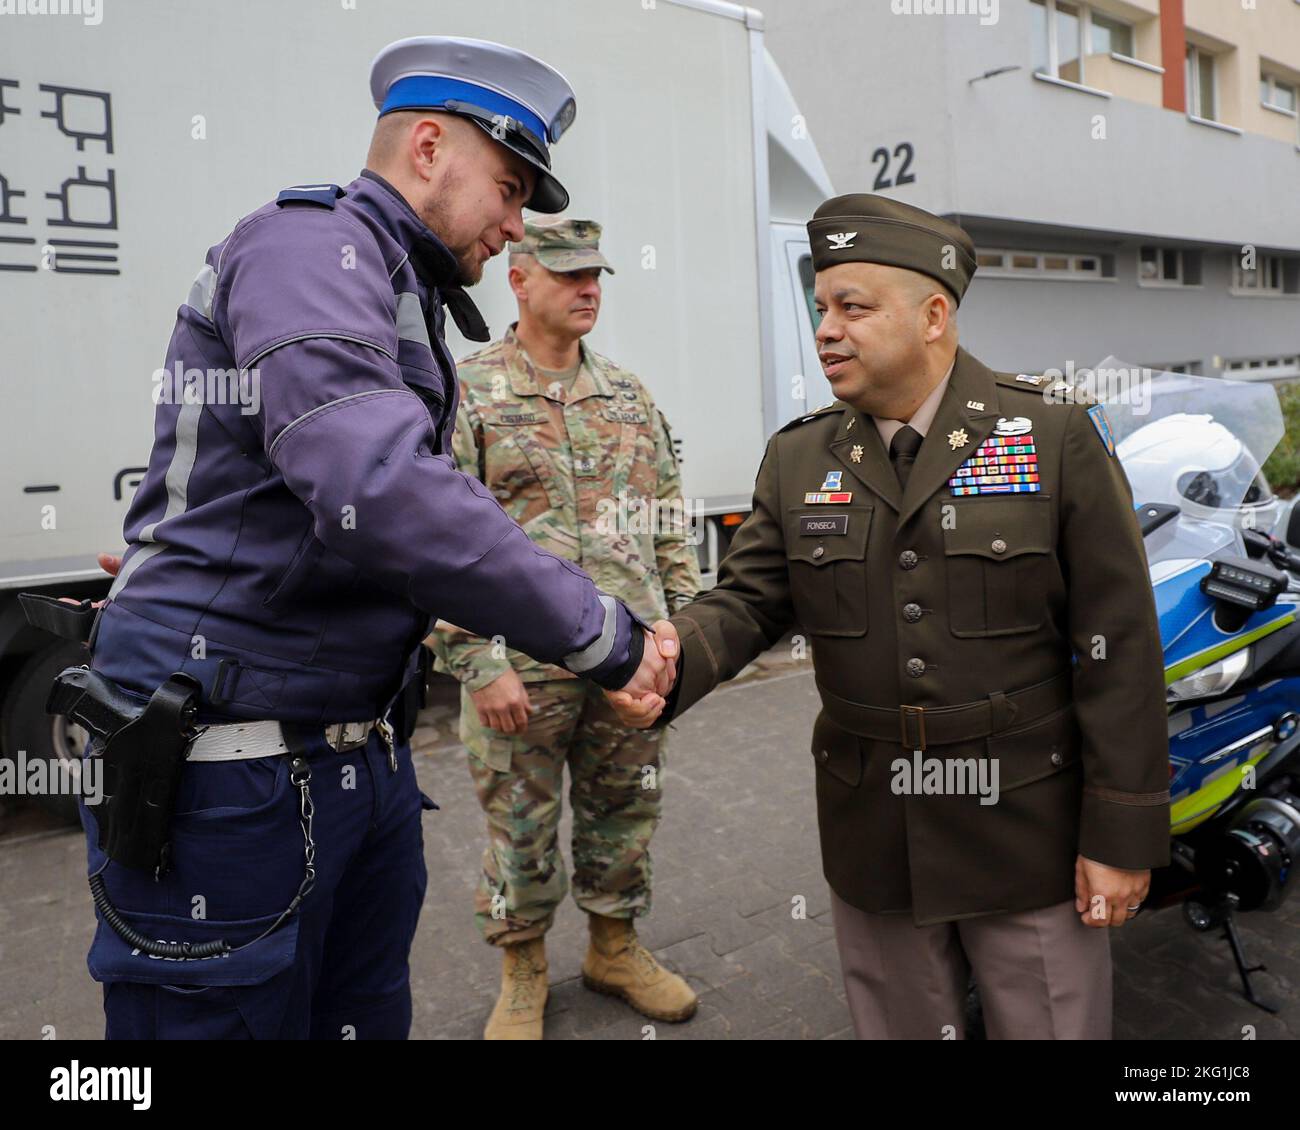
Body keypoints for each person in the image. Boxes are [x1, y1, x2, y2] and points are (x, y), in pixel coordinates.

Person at [75, 36, 673, 1041]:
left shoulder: (392, 285)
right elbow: (375, 483)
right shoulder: (313, 247)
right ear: (429, 147)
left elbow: (333, 502)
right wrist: (600, 634)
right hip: (235, 766)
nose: (515, 225)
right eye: (509, 187)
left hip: (350, 754)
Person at [610, 193, 1171, 1040]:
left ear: (934, 314)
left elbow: (1120, 647)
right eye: (820, 307)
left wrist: (1123, 835)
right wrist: (672, 653)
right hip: (875, 834)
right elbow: (751, 597)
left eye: (853, 306)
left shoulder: (1050, 435)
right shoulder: (801, 456)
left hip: (1023, 832)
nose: (826, 329)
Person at [430, 218, 701, 1039]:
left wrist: (677, 634)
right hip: (522, 664)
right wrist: (478, 661)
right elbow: (434, 538)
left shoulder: (628, 394)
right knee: (520, 824)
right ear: (519, 280)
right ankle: (523, 970)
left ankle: (614, 948)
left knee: (625, 809)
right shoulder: (467, 391)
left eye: (596, 277)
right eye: (569, 275)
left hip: (628, 663)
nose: (589, 290)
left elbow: (668, 525)